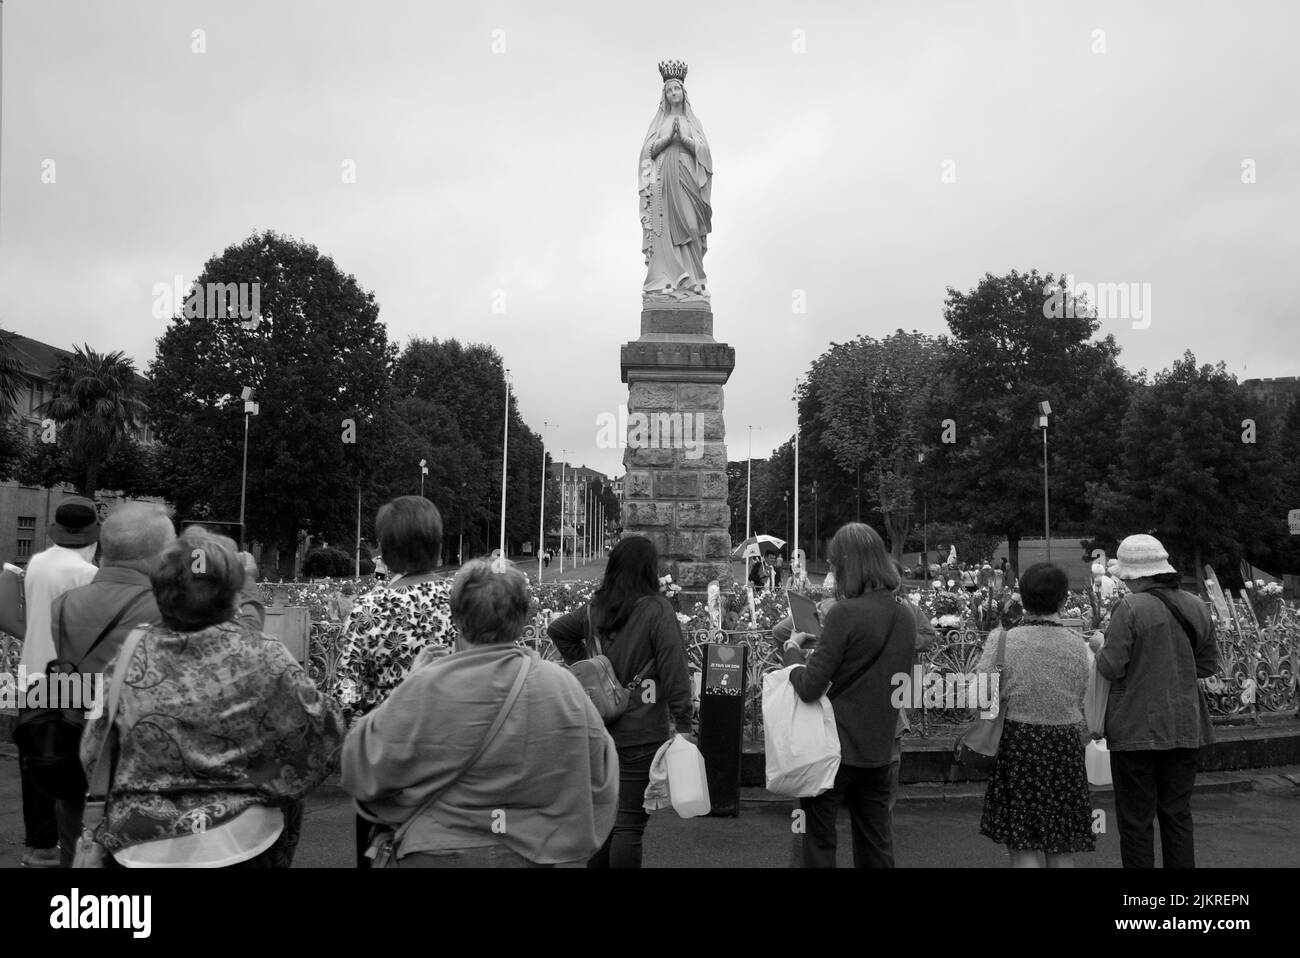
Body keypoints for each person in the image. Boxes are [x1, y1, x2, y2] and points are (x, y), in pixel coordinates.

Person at [80, 527, 344, 867]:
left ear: (160, 592)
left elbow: (93, 750)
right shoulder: (264, 655)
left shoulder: (129, 655)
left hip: (140, 842)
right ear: (232, 594)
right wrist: (277, 783)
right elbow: (324, 731)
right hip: (241, 840)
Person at [343, 560, 618, 867]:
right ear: (524, 617)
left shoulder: (427, 685)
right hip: (533, 853)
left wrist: (407, 686)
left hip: (437, 850)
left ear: (457, 618)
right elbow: (601, 773)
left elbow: (362, 763)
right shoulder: (562, 686)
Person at [51, 504, 267, 866]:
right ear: (160, 555)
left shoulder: (63, 604)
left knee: (81, 856)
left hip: (80, 749)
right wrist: (243, 583)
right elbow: (237, 645)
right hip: (146, 773)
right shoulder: (164, 607)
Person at [548, 535, 694, 868]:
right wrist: (684, 722)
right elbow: (674, 670)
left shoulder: (596, 608)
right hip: (642, 731)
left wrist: (587, 668)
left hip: (599, 728)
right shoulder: (657, 609)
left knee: (607, 825)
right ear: (649, 569)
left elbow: (558, 630)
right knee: (629, 824)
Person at [782, 523, 916, 867]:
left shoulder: (843, 612)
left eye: (833, 564)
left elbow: (810, 687)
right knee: (876, 845)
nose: (832, 572)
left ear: (847, 564)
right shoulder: (905, 615)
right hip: (879, 750)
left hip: (832, 749)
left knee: (819, 843)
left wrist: (792, 651)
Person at [335, 495, 457, 866]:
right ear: (438, 548)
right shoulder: (462, 601)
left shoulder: (369, 609)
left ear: (384, 553)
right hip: (452, 767)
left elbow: (346, 696)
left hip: (386, 770)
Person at [1090, 535, 1219, 868]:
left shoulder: (1130, 608)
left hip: (1135, 728)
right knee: (1177, 816)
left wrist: (1097, 646)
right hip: (1184, 725)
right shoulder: (1196, 606)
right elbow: (1207, 666)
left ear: (1137, 575)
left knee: (1136, 821)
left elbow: (1111, 666)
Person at [977, 563, 1095, 867]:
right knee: (1060, 844)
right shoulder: (1079, 647)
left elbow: (981, 697)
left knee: (1023, 842)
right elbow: (1087, 697)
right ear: (1062, 599)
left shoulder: (1002, 641)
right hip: (1064, 745)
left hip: (1019, 743)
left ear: (1023, 599)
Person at [16, 497, 100, 868]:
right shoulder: (87, 574)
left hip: (32, 672)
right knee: (69, 766)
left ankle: (39, 845)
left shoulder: (37, 562)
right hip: (68, 676)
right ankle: (69, 845)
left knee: (35, 761)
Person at [639, 61, 712, 301]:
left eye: (676, 89)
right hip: (663, 178)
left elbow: (705, 154)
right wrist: (668, 139)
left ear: (683, 92)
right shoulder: (659, 123)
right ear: (665, 95)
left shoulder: (693, 122)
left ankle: (694, 278)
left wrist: (686, 141)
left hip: (687, 175)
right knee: (666, 231)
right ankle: (670, 279)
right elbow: (647, 152)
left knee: (691, 224)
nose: (673, 93)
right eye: (669, 90)